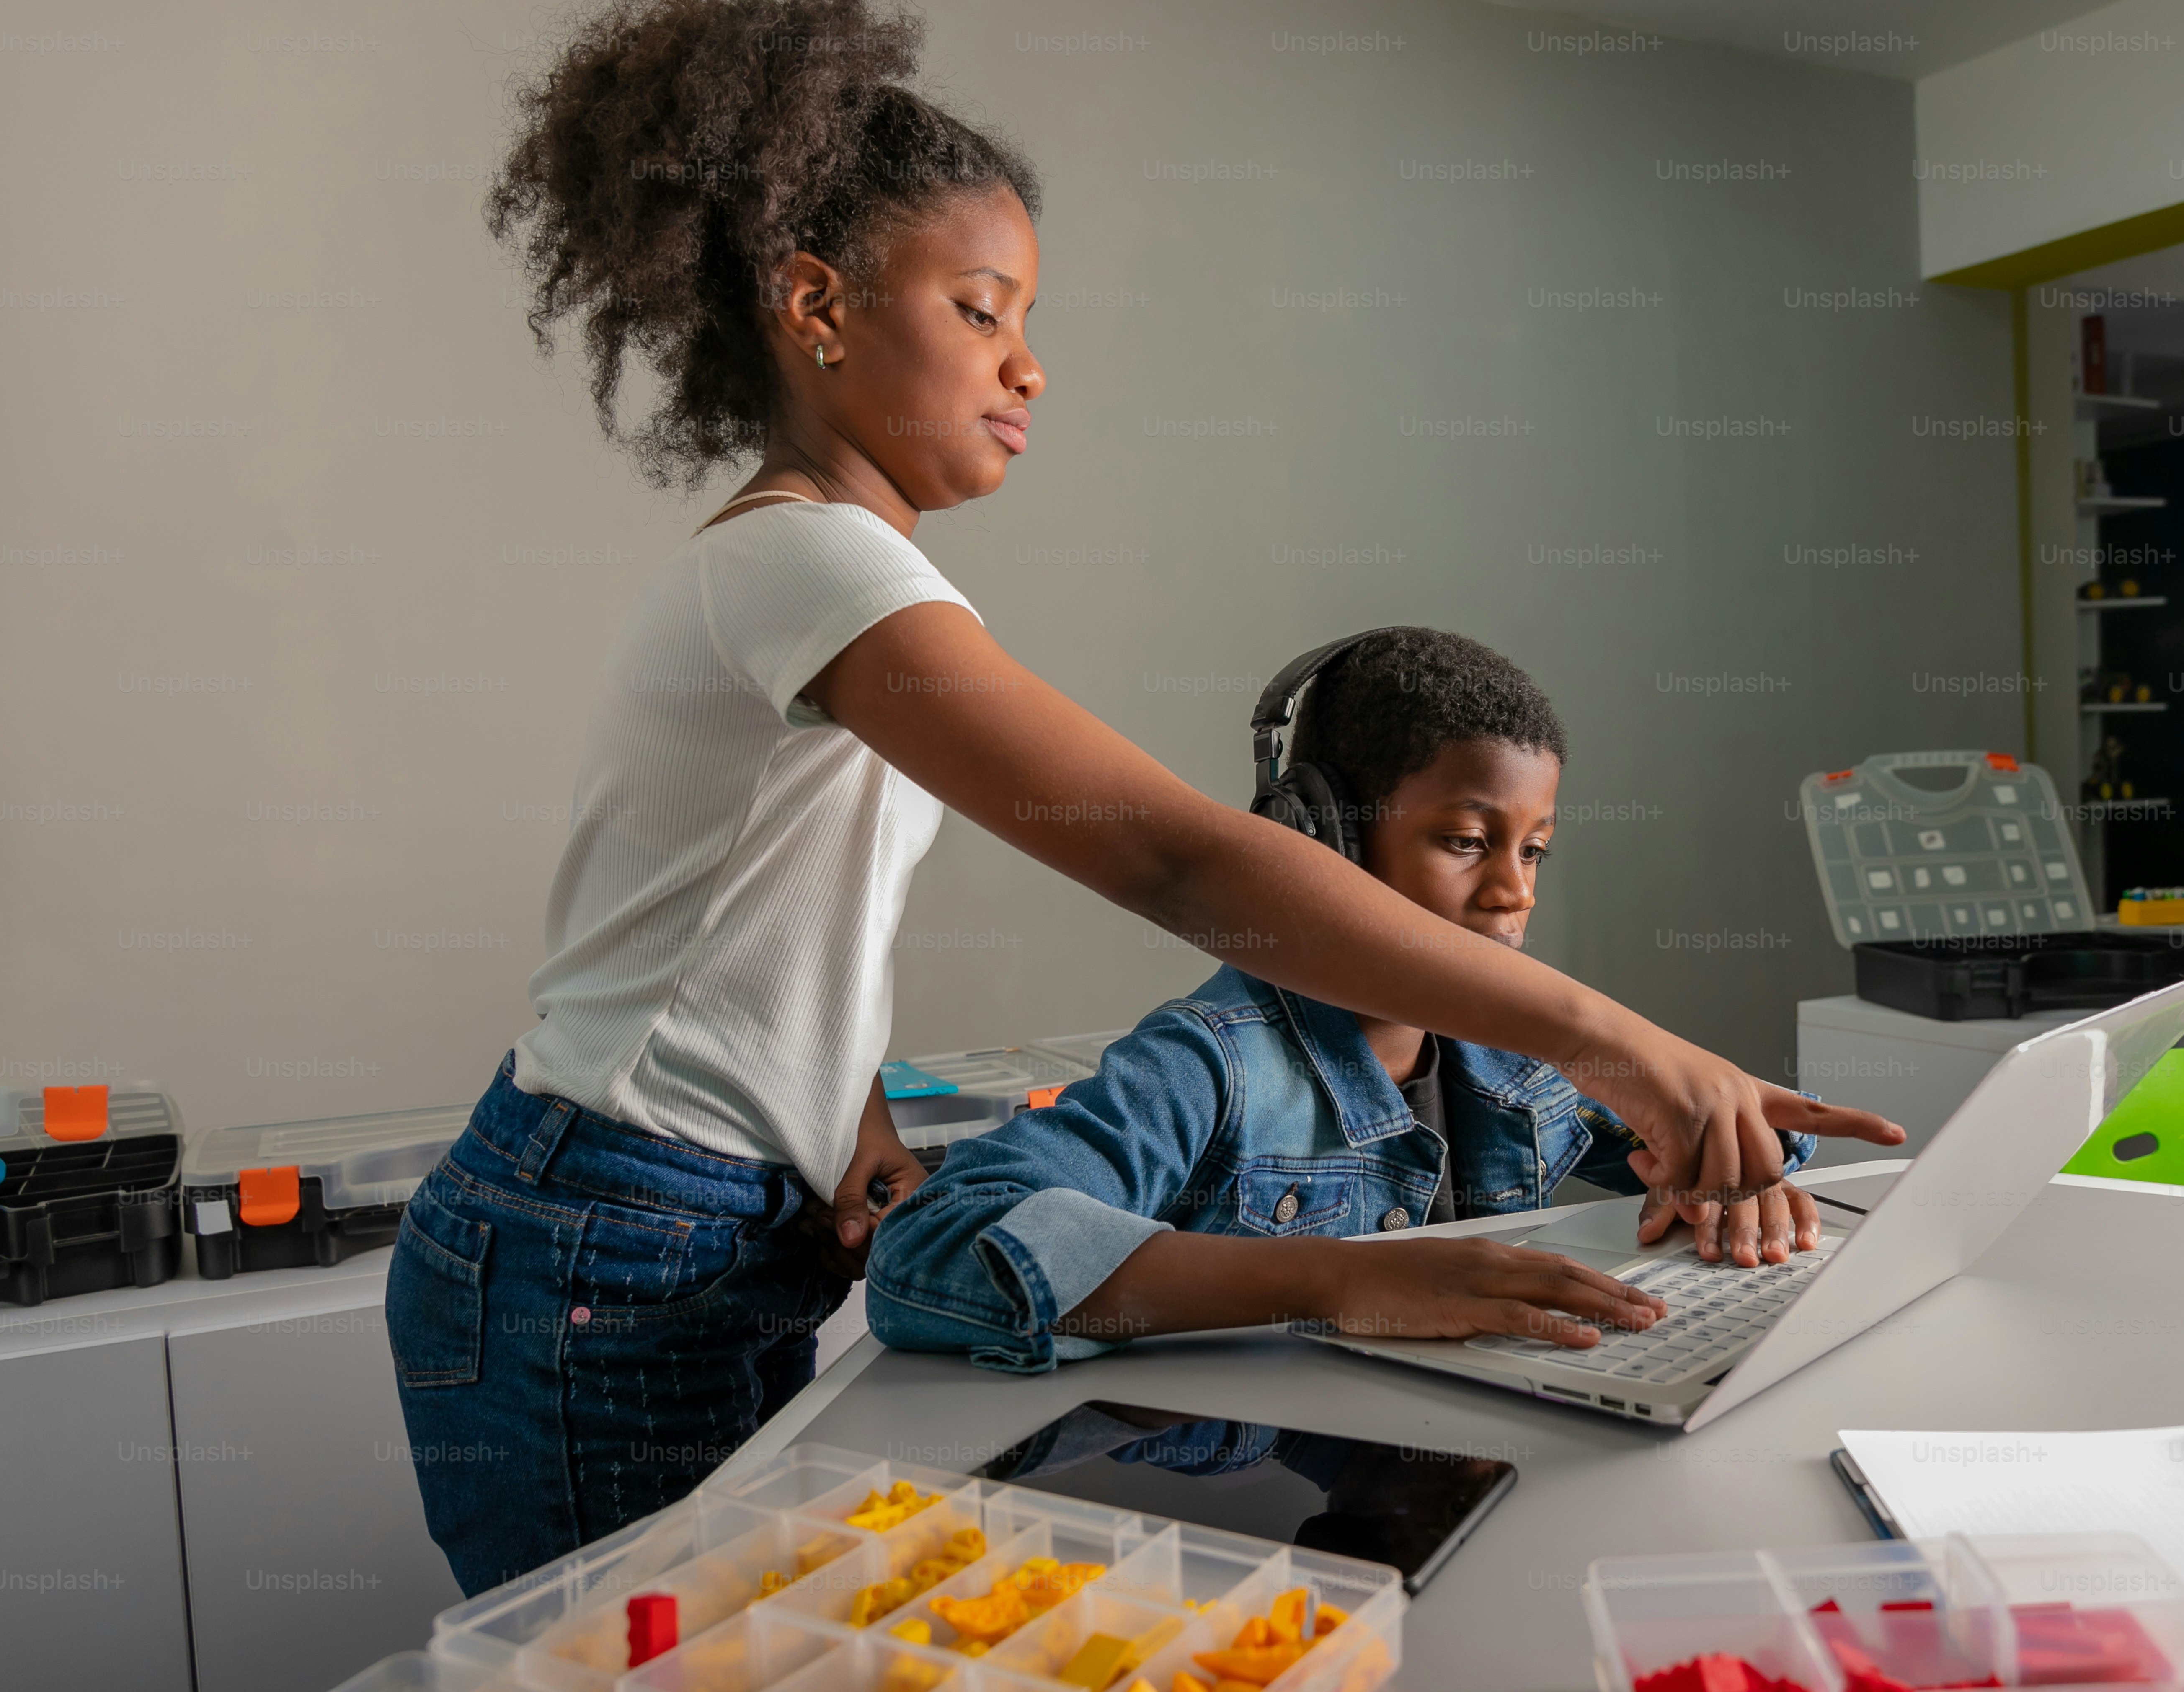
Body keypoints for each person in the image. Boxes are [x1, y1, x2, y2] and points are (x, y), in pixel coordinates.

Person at [385, 0, 1899, 1597]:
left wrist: (858, 1129)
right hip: (599, 1243)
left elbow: (757, 932)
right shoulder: (805, 561)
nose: (1029, 363)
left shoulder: (826, 573)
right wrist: (1610, 1036)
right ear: (816, 303)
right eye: (981, 311)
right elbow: (1176, 860)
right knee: (642, 1676)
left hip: (694, 1229)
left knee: (727, 1655)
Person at [866, 630, 1871, 1370]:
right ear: (1320, 841)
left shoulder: (1518, 1059)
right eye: (1467, 842)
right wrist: (1337, 1278)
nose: (1514, 890)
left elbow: (1680, 1146)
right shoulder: (1207, 1063)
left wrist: (1735, 1172)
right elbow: (928, 1248)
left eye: (1534, 852)